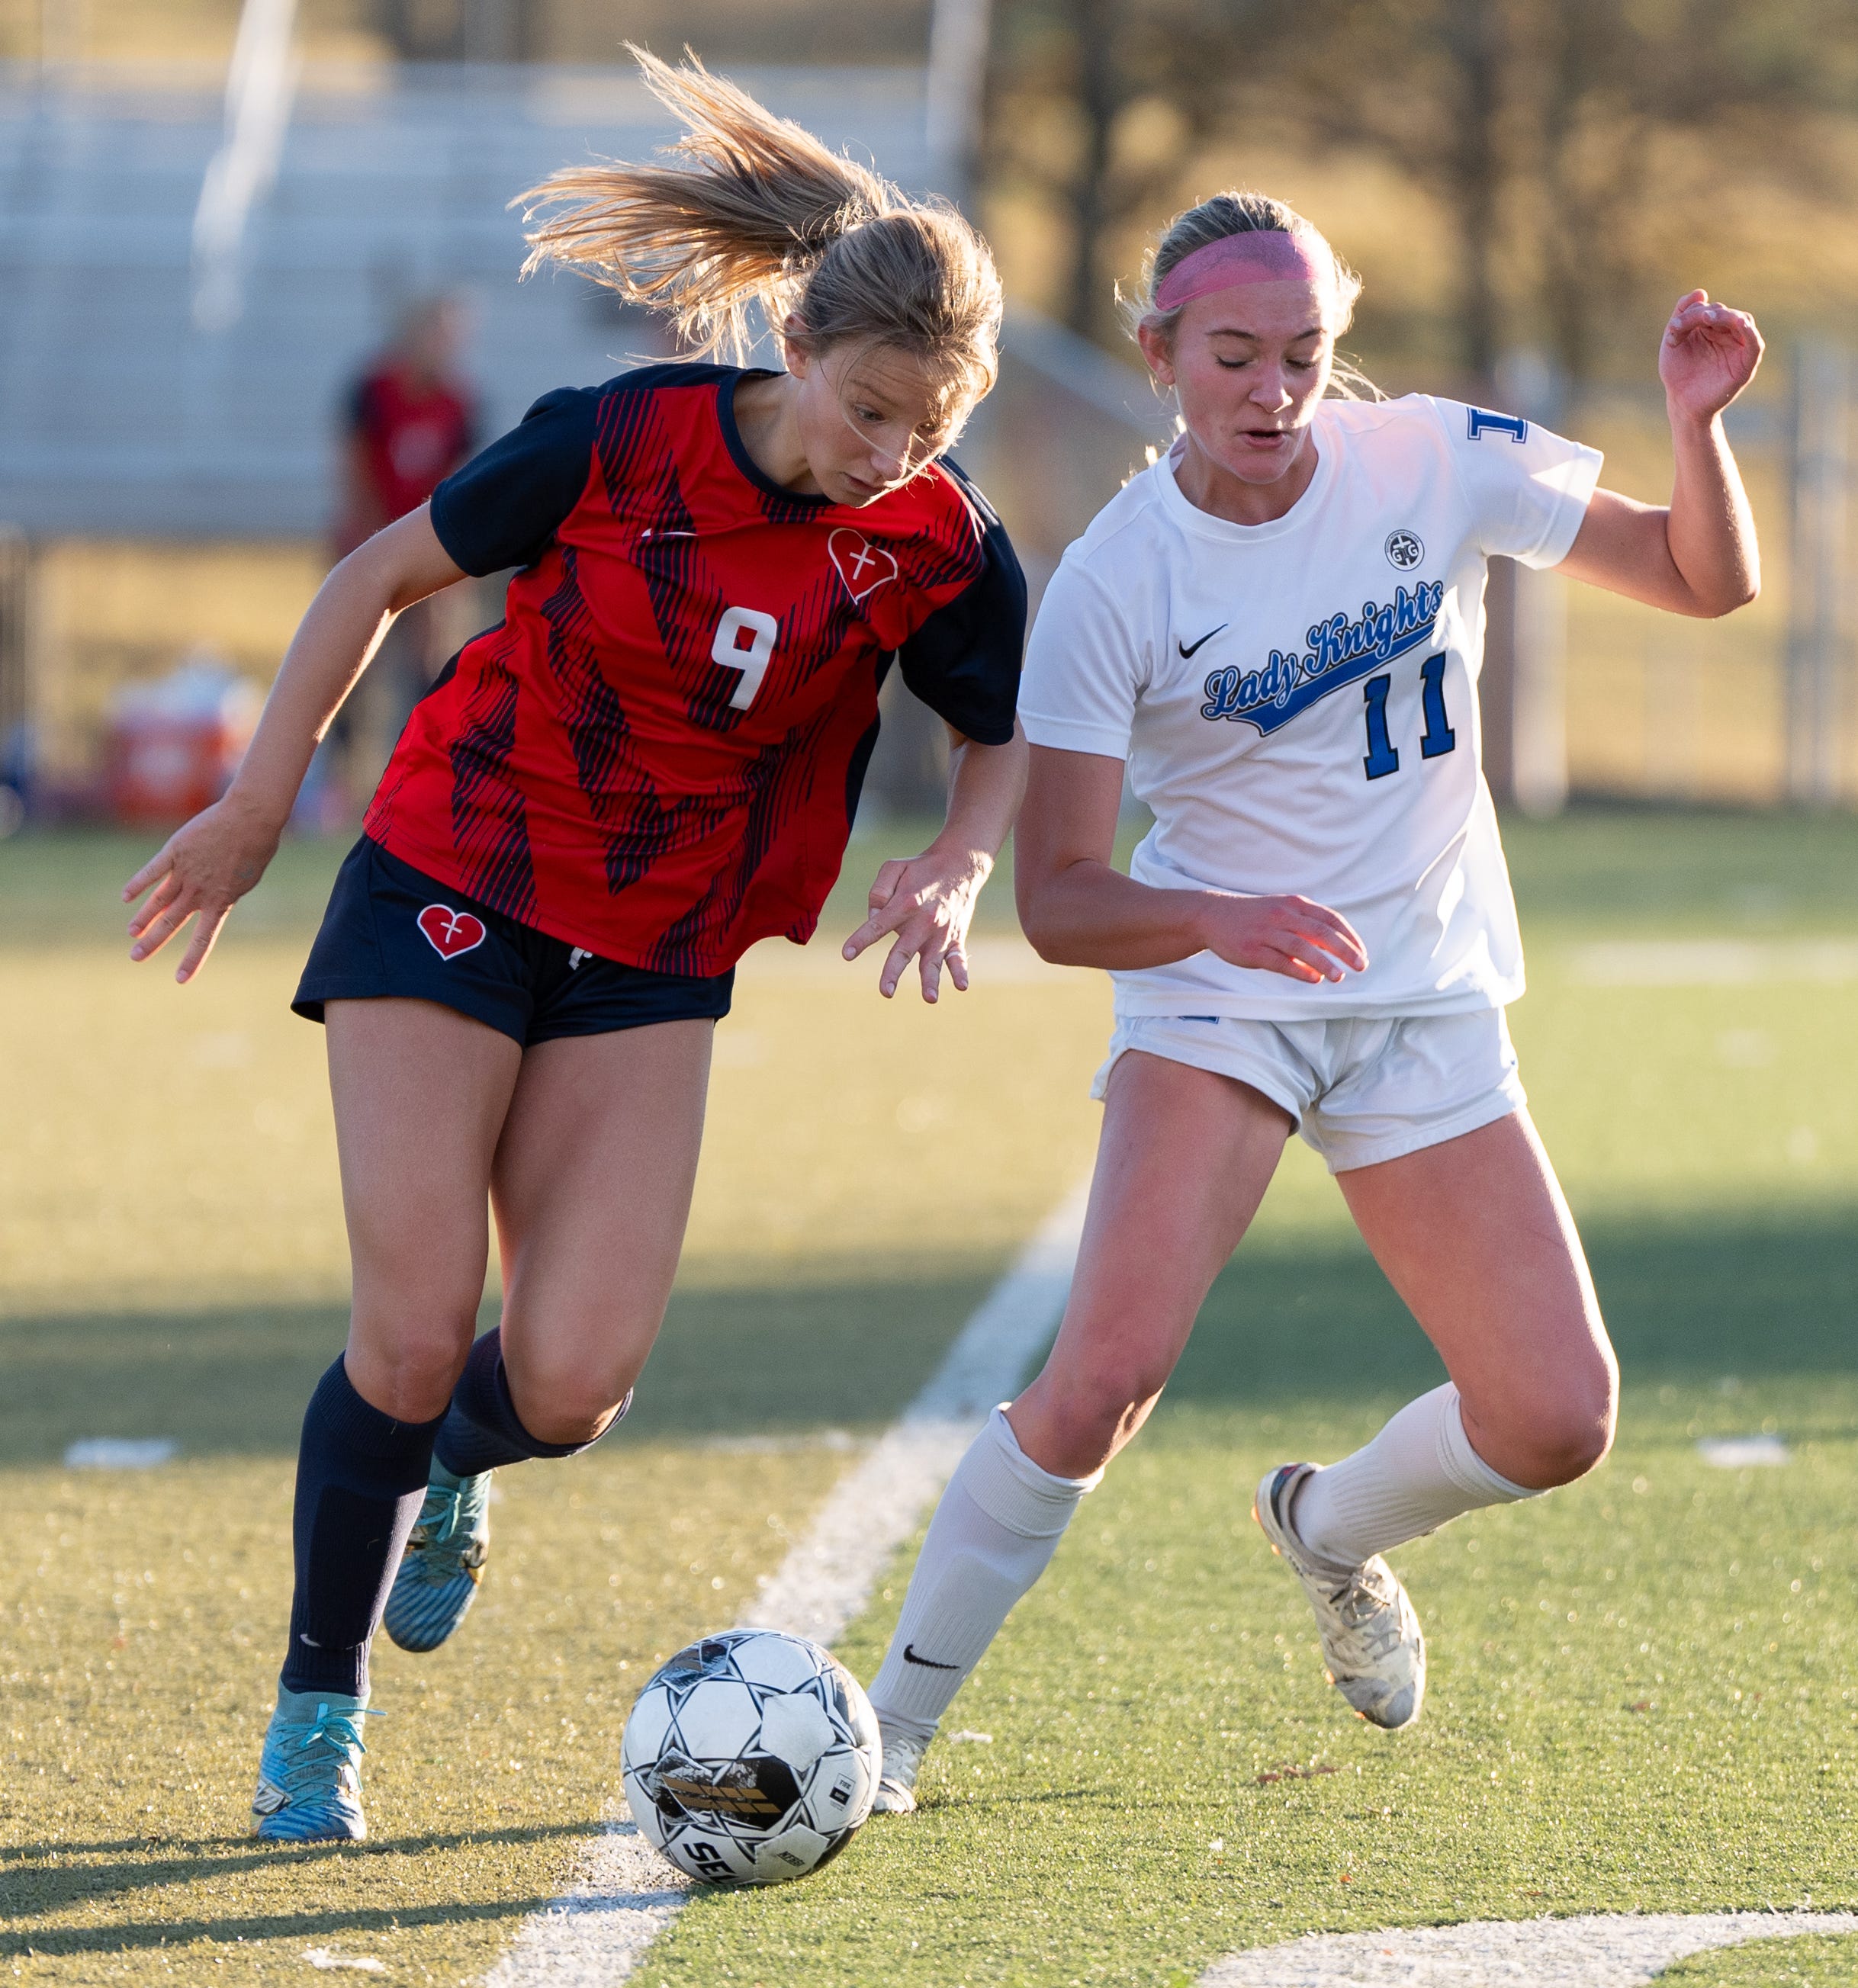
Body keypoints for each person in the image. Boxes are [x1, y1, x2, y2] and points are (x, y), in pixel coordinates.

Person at [121, 50, 1027, 1844]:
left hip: (657, 947)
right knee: (406, 1324)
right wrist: (249, 806)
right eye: (864, 412)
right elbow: (373, 575)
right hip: (453, 869)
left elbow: (1003, 720)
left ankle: (463, 1464)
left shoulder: (939, 542)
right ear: (794, 353)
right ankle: (317, 1708)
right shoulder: (615, 437)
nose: (884, 458)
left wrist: (963, 861)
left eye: (923, 430)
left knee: (573, 1379)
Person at [863, 191, 1761, 1814]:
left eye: (1304, 354)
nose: (1273, 389)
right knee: (1104, 1376)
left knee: (1559, 1417)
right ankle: (890, 1732)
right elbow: (1063, 900)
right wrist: (1223, 919)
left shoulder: (1432, 453)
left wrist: (1696, 428)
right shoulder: (1115, 577)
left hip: (1421, 1002)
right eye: (1234, 355)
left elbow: (1705, 582)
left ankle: (1328, 1526)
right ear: (1161, 359)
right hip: (1219, 1002)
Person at [320, 296, 480, 817]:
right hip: (370, 542)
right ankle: (337, 783)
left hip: (424, 551)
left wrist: (441, 561)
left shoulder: (460, 403)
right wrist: (372, 548)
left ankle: (412, 786)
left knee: (427, 666)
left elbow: (458, 481)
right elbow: (355, 466)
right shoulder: (371, 391)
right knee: (347, 666)